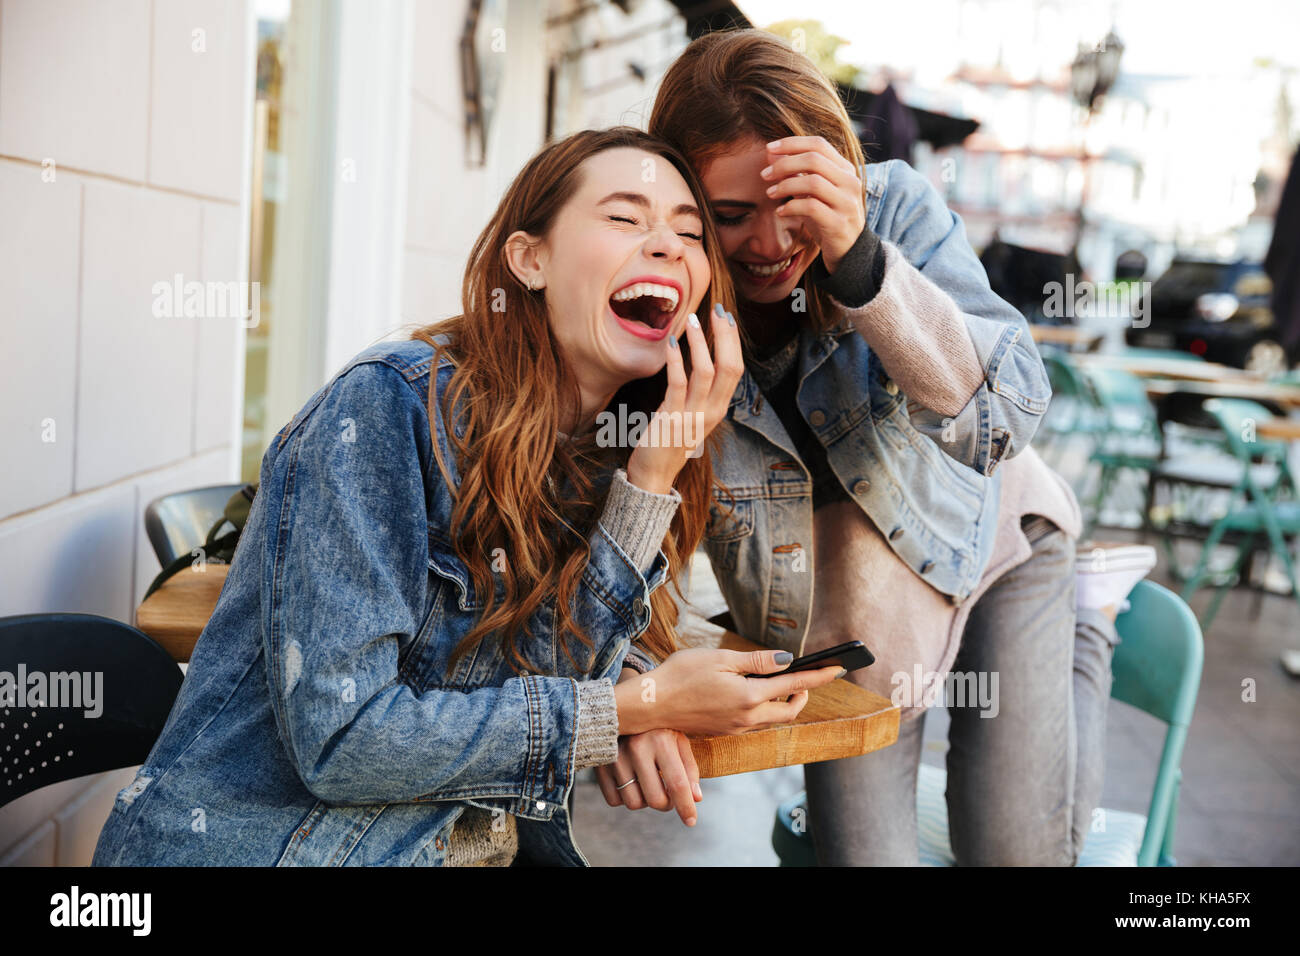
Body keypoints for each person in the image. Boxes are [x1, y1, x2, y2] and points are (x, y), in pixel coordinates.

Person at [90, 127, 844, 868]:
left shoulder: (617, 451)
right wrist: (638, 708)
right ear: (530, 259)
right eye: (624, 218)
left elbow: (551, 667)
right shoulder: (387, 407)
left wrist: (650, 486)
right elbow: (344, 741)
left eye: (689, 233)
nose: (668, 245)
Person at [601, 29, 1153, 866]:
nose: (769, 242)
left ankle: (1089, 620)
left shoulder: (891, 208)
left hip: (995, 544)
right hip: (850, 621)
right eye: (730, 216)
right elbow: (622, 523)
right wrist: (633, 691)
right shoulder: (663, 294)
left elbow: (1010, 415)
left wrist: (861, 262)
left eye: (791, 207)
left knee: (1018, 854)